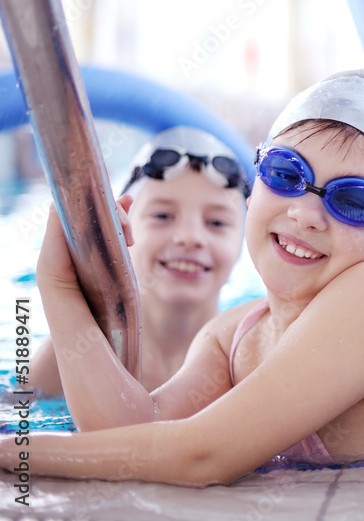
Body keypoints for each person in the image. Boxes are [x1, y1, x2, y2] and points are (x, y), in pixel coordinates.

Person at [1, 70, 364, 486]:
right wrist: (58, 287)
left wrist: (15, 454)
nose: (305, 213)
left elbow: (201, 457)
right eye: (286, 173)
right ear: (257, 182)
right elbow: (131, 434)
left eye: (353, 200)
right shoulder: (231, 335)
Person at [29, 127, 249, 394]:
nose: (190, 238)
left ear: (243, 242)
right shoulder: (79, 348)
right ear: (121, 227)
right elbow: (16, 423)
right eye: (163, 216)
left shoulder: (248, 358)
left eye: (216, 222)